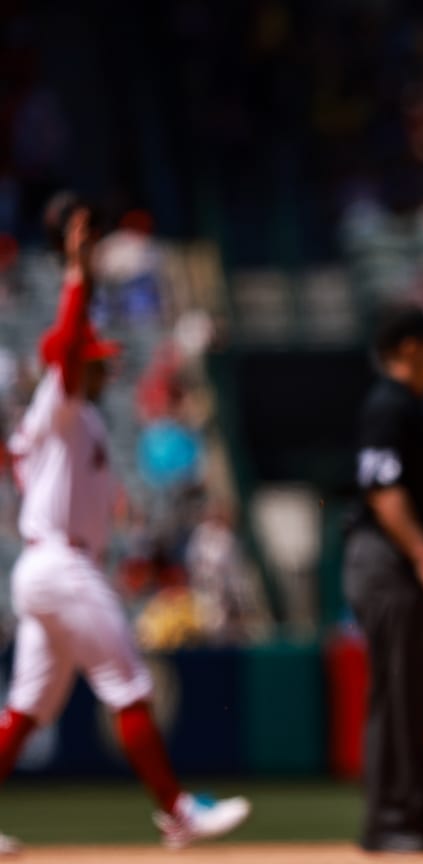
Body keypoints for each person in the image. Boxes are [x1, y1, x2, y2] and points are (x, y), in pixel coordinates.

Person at [0, 200, 250, 851]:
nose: (106, 364)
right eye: (97, 358)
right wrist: (76, 273)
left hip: (49, 566)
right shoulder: (59, 401)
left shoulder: (78, 417)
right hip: (60, 564)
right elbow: (63, 346)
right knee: (128, 683)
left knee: (26, 709)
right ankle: (178, 813)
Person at [342, 304, 423, 853]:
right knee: (395, 692)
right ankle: (387, 820)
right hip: (386, 556)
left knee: (412, 691)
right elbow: (383, 492)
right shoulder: (387, 404)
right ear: (410, 347)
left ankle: (415, 815)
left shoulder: (409, 405)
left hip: (397, 558)